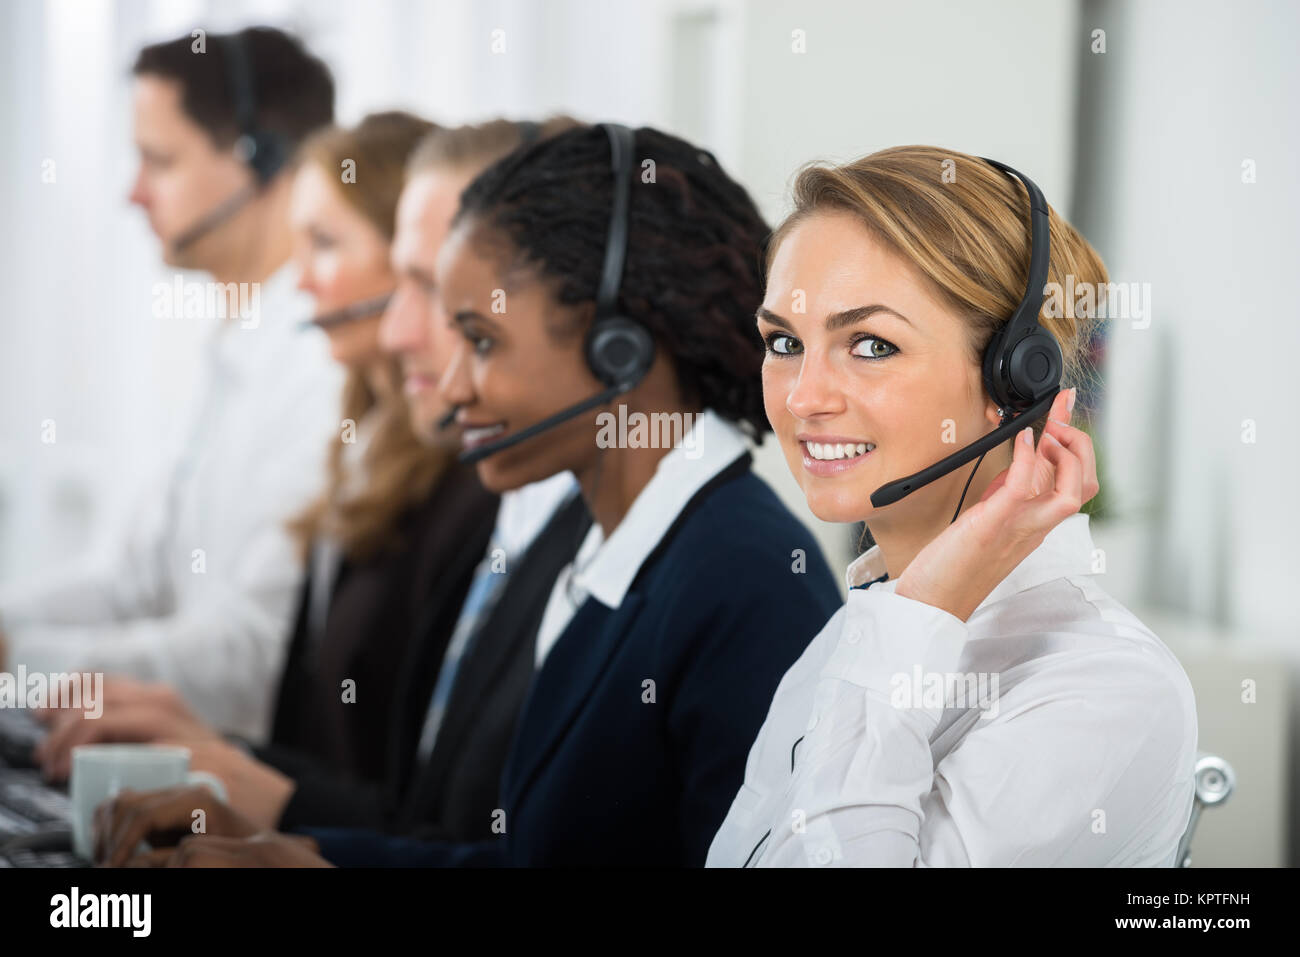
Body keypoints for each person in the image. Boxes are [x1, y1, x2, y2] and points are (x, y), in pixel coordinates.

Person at [93, 123, 844, 867]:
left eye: (482, 341)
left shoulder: (747, 580)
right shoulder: (608, 548)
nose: (454, 389)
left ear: (619, 351)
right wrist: (294, 852)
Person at [55, 118, 590, 845]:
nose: (299, 279)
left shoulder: (487, 492)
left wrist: (267, 796)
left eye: (327, 244)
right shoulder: (378, 448)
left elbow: (441, 824)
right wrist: (235, 762)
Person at [705, 145, 1198, 867]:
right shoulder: (848, 637)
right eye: (784, 341)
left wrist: (924, 609)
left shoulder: (1109, 689)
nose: (802, 397)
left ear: (1018, 377)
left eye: (870, 344)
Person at [0, 27, 344, 740]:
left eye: (159, 161)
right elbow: (129, 583)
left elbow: (248, 660)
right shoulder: (232, 351)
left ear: (264, 160)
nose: (133, 193)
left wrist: (19, 662)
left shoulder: (318, 371)